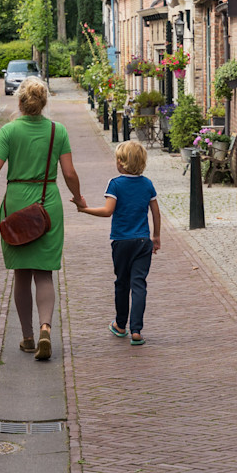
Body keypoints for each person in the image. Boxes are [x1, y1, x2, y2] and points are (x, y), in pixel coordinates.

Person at [0, 76, 83, 361]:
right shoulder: (58, 131)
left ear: (20, 102)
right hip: (47, 205)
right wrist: (79, 198)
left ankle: (28, 337)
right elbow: (69, 173)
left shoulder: (9, 131)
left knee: (21, 273)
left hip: (17, 203)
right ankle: (46, 328)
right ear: (43, 103)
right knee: (44, 272)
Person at [75, 140, 160, 346]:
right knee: (139, 284)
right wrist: (156, 237)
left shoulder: (115, 184)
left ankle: (121, 325)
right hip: (143, 241)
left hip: (121, 241)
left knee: (122, 283)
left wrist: (84, 209)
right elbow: (156, 213)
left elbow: (108, 211)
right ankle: (137, 330)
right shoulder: (147, 184)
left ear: (121, 163)